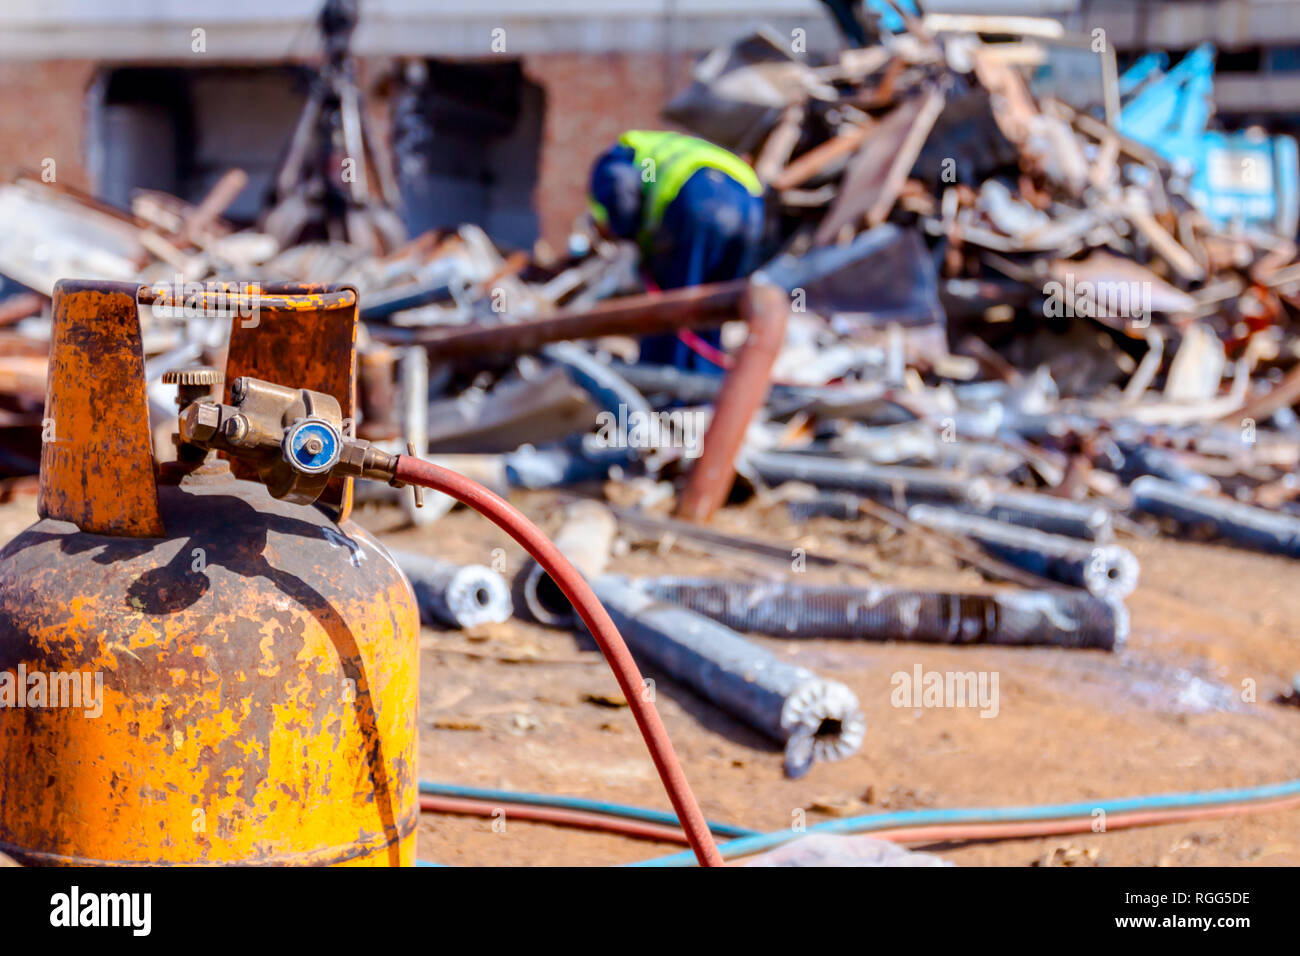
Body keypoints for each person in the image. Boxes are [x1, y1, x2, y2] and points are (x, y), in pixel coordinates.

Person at [588, 130, 765, 370]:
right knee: (715, 307)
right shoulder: (668, 148)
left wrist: (628, 232)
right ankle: (706, 389)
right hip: (751, 207)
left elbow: (621, 190)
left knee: (672, 305)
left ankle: (662, 388)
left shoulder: (617, 155)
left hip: (701, 197)